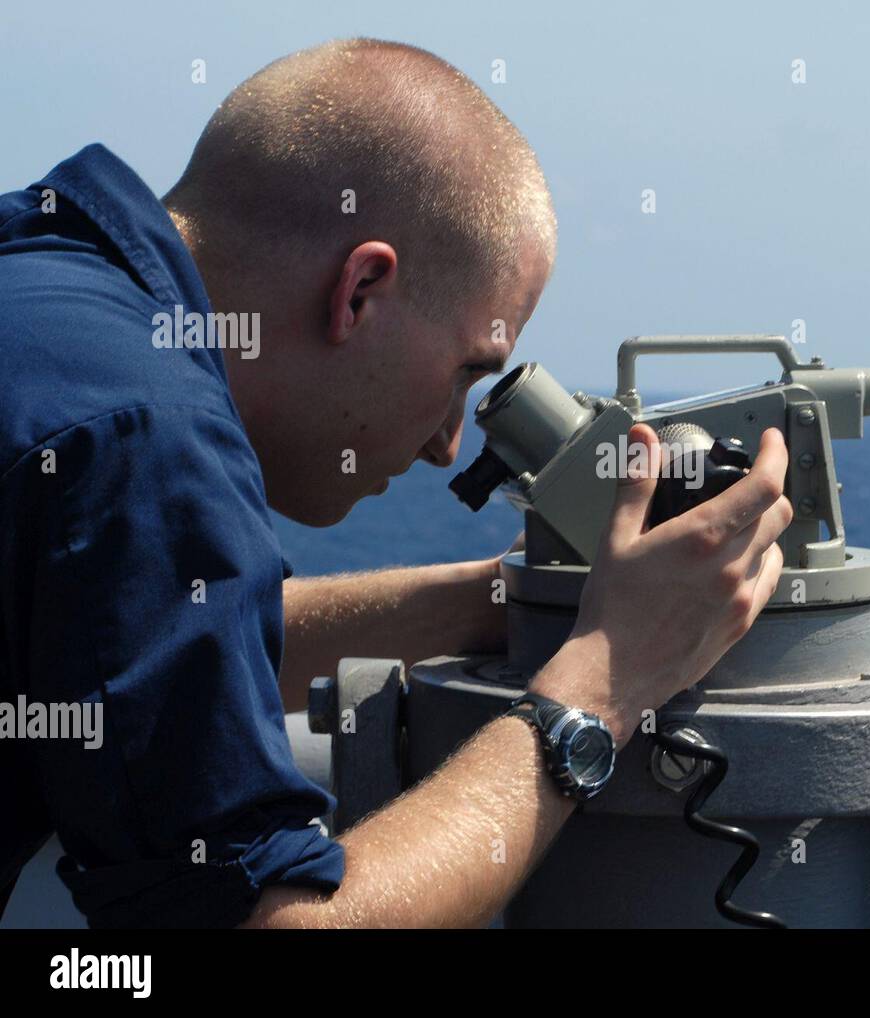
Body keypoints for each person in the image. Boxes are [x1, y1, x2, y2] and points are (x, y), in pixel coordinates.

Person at [0, 38, 792, 928]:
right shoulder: (144, 434)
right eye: (465, 371)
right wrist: (603, 689)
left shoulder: (47, 279)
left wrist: (513, 601)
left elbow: (149, 639)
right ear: (362, 291)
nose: (447, 447)